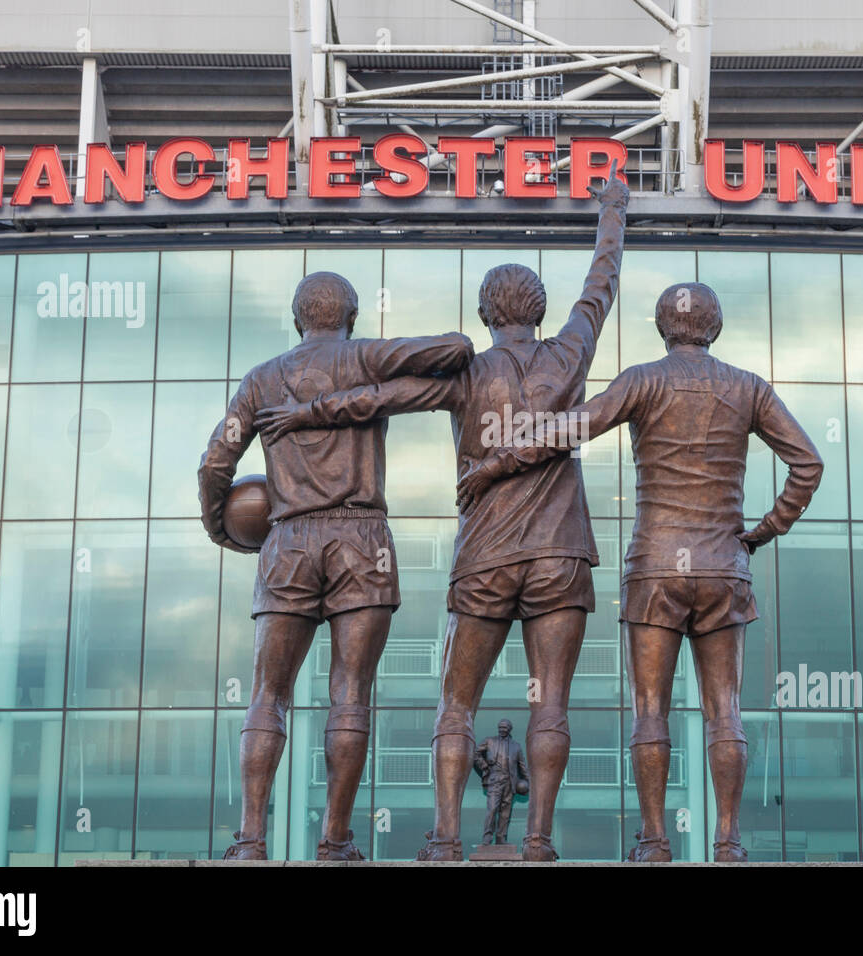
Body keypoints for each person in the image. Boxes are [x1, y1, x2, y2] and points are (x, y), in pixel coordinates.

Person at [253, 163, 630, 860]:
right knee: (550, 705)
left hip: (485, 556)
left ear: (488, 315)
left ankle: (446, 840)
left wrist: (306, 410)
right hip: (559, 554)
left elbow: (379, 398)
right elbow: (601, 284)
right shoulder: (571, 353)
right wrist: (613, 209)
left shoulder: (464, 375)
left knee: (457, 705)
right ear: (539, 311)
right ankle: (540, 841)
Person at [456, 281, 823, 862]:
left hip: (655, 566)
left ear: (662, 328)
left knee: (650, 709)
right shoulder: (749, 387)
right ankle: (727, 844)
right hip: (724, 565)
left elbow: (570, 429)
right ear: (716, 326)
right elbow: (809, 462)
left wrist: (498, 463)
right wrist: (767, 528)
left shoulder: (642, 379)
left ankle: (654, 842)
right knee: (723, 709)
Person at [197, 271, 473, 861]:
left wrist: (220, 527)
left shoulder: (261, 379)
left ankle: (250, 841)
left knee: (268, 693)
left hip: (288, 539)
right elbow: (457, 348)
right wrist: (370, 369)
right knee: (351, 693)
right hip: (361, 536)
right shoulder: (366, 357)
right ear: (349, 318)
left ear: (299, 320)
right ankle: (336, 840)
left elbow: (214, 462)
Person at [473, 719, 530, 845]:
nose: (502, 730)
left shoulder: (516, 746)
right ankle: (487, 837)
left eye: (504, 728)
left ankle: (501, 838)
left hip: (510, 782)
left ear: (509, 729)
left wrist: (528, 781)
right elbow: (475, 753)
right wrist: (484, 765)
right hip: (494, 779)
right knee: (492, 808)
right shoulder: (489, 741)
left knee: (505, 813)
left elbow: (522, 766)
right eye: (500, 727)